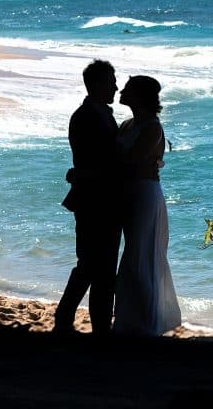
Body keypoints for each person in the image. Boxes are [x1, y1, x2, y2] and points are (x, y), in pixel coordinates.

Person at [53, 59, 125, 335]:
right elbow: (98, 162)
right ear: (95, 85)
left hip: (100, 199)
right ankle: (69, 317)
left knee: (101, 268)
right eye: (111, 82)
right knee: (94, 266)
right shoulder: (86, 116)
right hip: (95, 201)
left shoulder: (100, 113)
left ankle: (94, 325)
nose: (116, 88)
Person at [112, 74, 182, 336]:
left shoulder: (152, 127)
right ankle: (131, 320)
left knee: (142, 254)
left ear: (139, 96)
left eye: (128, 88)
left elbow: (130, 160)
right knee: (133, 254)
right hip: (129, 193)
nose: (121, 89)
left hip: (144, 194)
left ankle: (145, 322)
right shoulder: (127, 124)